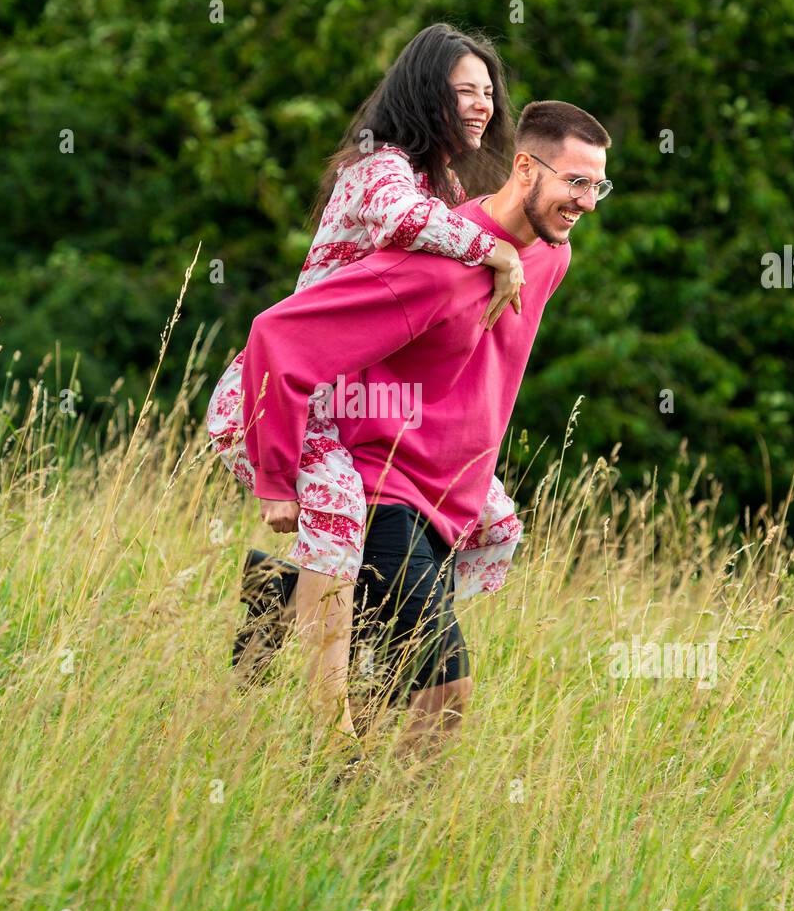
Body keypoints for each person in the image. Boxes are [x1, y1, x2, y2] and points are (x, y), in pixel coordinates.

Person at [238, 101, 613, 760]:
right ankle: (389, 832)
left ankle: (280, 595)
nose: (586, 200)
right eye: (574, 182)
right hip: (388, 488)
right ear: (525, 167)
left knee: (380, 686)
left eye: (597, 185)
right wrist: (277, 478)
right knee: (447, 688)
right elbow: (281, 335)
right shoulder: (436, 261)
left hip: (451, 502)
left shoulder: (553, 257)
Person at [207, 24, 527, 699]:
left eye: (489, 93)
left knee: (492, 519)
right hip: (277, 395)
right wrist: (494, 251)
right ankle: (333, 730)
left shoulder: (426, 182)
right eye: (466, 91)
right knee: (342, 506)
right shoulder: (379, 168)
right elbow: (401, 222)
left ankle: (290, 592)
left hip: (344, 404)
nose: (484, 106)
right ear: (424, 94)